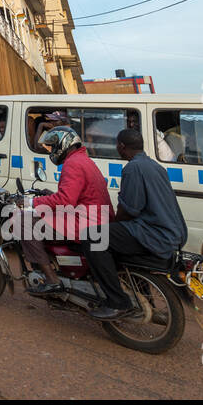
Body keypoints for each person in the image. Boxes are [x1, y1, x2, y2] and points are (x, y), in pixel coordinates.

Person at [88, 128, 189, 320]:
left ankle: (117, 302)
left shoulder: (133, 168)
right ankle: (144, 302)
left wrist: (113, 223)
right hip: (171, 233)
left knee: (94, 237)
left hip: (153, 233)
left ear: (121, 146)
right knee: (116, 240)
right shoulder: (154, 165)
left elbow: (129, 209)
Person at [17, 127, 113, 294]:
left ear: (65, 144)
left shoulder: (73, 164)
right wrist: (50, 196)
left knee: (24, 223)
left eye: (53, 147)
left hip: (85, 221)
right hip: (94, 216)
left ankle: (52, 280)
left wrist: (31, 202)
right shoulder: (84, 160)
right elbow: (74, 196)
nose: (52, 151)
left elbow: (65, 200)